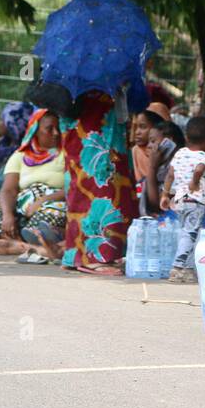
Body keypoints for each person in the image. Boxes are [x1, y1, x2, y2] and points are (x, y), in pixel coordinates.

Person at [61, 90, 137, 274]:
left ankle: (76, 254)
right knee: (105, 188)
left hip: (80, 122)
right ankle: (97, 257)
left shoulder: (68, 66)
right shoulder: (104, 66)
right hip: (98, 126)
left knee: (80, 186)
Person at [0, 109, 67, 261]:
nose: (56, 133)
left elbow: (72, 188)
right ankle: (22, 240)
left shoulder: (67, 154)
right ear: (35, 130)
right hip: (22, 209)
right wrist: (8, 216)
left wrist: (42, 201)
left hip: (49, 205)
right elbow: (8, 189)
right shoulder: (20, 156)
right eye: (49, 129)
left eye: (58, 128)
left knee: (55, 213)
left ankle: (19, 245)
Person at [161, 116, 205, 282]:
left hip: (180, 201)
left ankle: (189, 270)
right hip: (195, 201)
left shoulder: (180, 153)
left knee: (190, 234)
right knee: (190, 233)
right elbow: (198, 170)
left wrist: (165, 194)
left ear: (186, 137)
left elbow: (170, 174)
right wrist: (194, 182)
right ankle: (177, 268)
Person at [140, 116, 181, 216]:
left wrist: (152, 167)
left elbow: (156, 204)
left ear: (168, 143)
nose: (149, 145)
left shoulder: (178, 167)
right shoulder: (162, 167)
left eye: (153, 141)